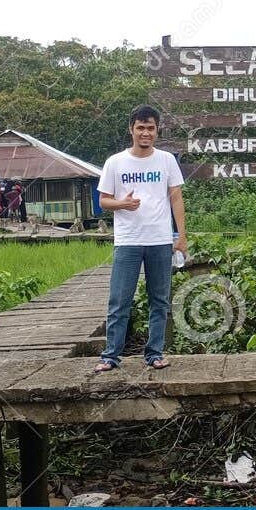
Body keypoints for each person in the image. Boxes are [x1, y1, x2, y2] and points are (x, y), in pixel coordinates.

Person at [96, 105, 186, 371]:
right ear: (131, 129)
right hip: (128, 241)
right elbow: (103, 201)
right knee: (119, 300)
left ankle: (155, 353)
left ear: (157, 131)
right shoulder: (115, 162)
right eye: (140, 128)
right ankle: (110, 355)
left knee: (160, 300)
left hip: (159, 239)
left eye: (150, 128)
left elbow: (176, 198)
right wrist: (122, 204)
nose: (145, 133)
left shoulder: (167, 160)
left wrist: (181, 237)